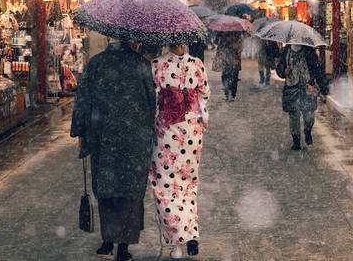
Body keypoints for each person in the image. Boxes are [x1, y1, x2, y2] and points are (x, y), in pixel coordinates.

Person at [70, 39, 156, 261]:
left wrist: (80, 130)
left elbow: (83, 98)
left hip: (103, 135)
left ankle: (107, 242)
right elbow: (152, 102)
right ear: (133, 39)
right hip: (135, 138)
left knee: (107, 186)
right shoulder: (142, 65)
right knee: (130, 189)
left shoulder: (97, 63)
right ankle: (123, 248)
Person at [149, 45, 210, 258]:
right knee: (188, 185)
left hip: (167, 132)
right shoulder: (197, 64)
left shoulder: (156, 65)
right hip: (192, 133)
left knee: (165, 186)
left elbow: (153, 101)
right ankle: (191, 233)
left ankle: (177, 245)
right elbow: (204, 96)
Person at [276, 43, 329, 150]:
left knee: (309, 114)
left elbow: (317, 70)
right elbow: (279, 69)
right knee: (293, 115)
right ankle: (296, 141)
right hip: (291, 88)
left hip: (307, 88)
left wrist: (323, 87)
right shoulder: (286, 50)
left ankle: (308, 131)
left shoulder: (309, 51)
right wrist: (283, 71)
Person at [214, 32, 242, 101]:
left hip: (231, 60)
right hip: (230, 60)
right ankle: (231, 94)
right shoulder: (236, 35)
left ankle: (230, 94)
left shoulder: (225, 35)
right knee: (230, 76)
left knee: (229, 76)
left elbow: (218, 45)